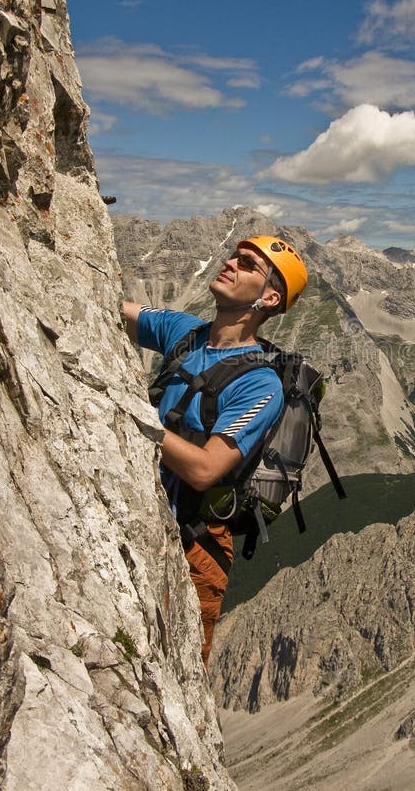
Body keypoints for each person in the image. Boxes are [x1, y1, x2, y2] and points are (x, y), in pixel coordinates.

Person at [122, 235, 308, 667]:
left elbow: (206, 469)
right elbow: (107, 306)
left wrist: (130, 415)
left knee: (177, 671)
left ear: (270, 297)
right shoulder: (185, 333)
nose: (230, 262)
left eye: (246, 263)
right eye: (234, 255)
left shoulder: (260, 385)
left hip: (196, 544)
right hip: (147, 509)